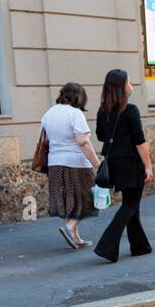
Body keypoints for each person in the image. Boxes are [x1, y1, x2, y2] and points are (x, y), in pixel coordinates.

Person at [93, 69, 153, 263]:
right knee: (130, 203)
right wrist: (148, 165)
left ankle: (139, 245)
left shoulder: (103, 111)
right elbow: (139, 140)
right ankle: (107, 246)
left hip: (114, 162)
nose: (131, 86)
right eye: (129, 82)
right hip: (131, 162)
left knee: (131, 203)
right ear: (122, 86)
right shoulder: (131, 110)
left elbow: (101, 136)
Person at [42, 82, 102, 249]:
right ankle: (69, 228)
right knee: (87, 198)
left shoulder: (48, 113)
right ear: (79, 97)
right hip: (76, 163)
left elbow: (45, 141)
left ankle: (75, 236)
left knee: (70, 200)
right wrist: (96, 164)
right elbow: (83, 141)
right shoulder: (74, 113)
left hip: (55, 163)